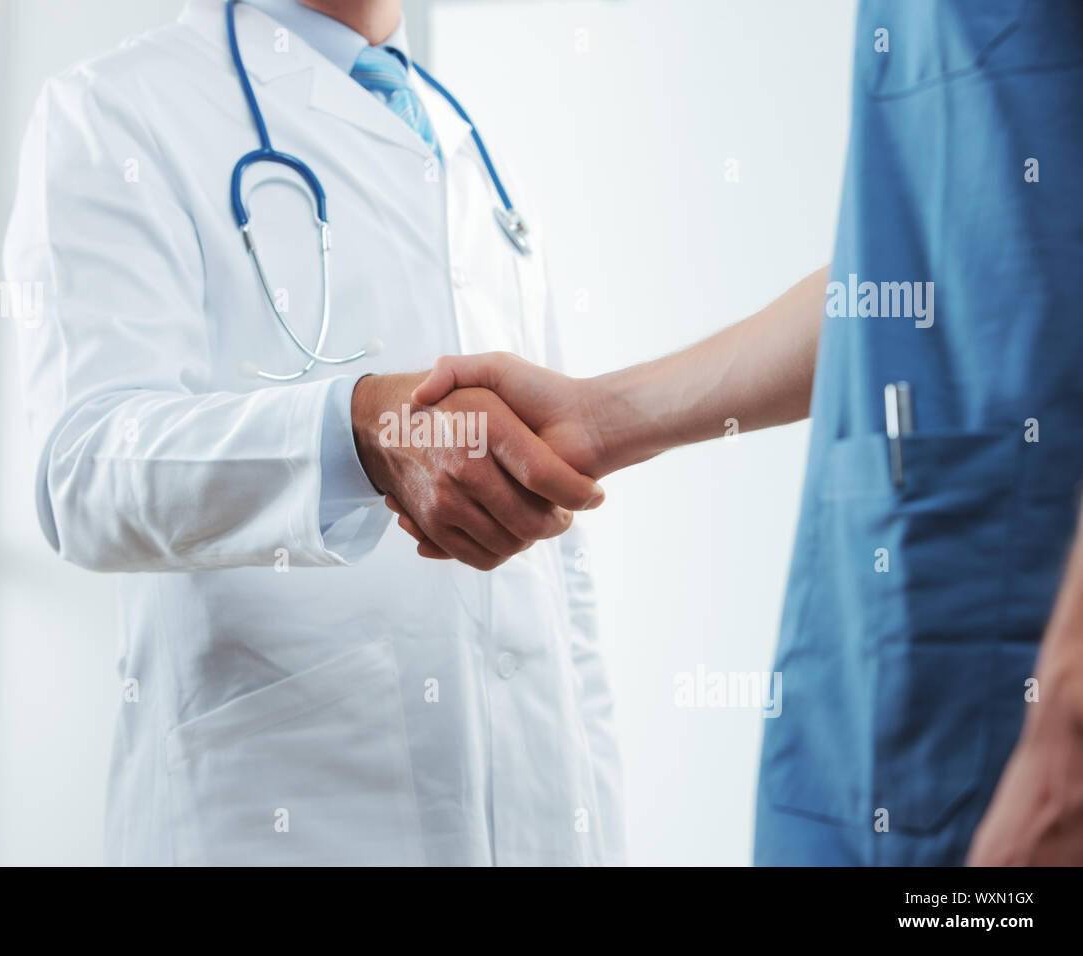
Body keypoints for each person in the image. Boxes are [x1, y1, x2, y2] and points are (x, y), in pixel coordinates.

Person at [407, 0, 1083, 865]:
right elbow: (921, 267)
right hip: (887, 622)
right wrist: (602, 416)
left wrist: (1068, 724)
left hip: (1025, 665)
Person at [4, 0, 622, 865]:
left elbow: (565, 573)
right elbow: (85, 470)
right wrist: (356, 432)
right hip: (283, 811)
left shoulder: (477, 151)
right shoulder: (117, 108)